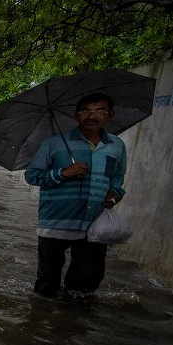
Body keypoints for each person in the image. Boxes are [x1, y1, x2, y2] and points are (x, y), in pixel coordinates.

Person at [24, 92, 127, 298]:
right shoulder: (54, 143)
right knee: (47, 285)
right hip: (56, 221)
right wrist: (63, 173)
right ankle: (44, 317)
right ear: (76, 115)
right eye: (86, 111)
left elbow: (117, 178)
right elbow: (32, 175)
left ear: (110, 114)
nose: (92, 116)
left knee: (86, 284)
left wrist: (114, 194)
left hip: (94, 223)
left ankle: (72, 317)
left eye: (100, 110)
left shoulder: (116, 146)